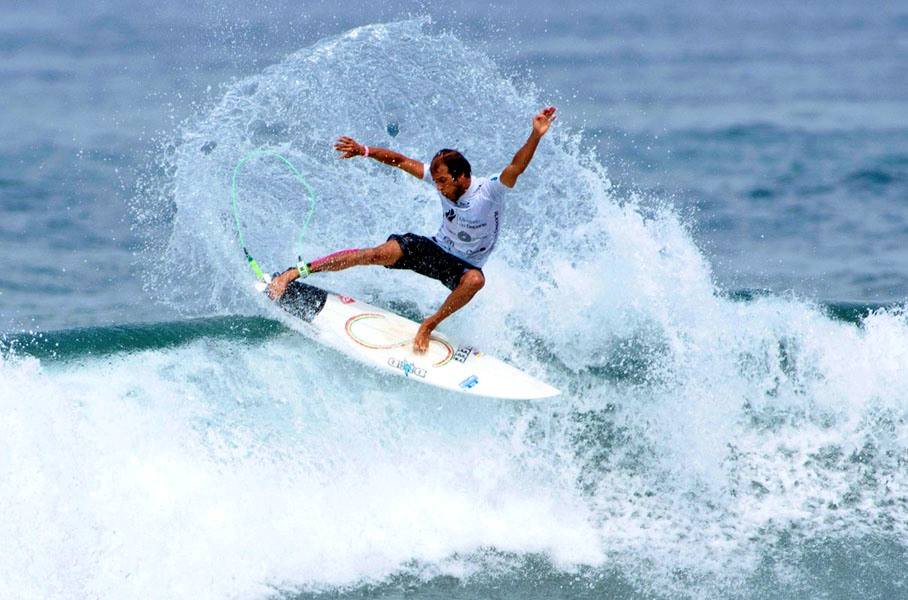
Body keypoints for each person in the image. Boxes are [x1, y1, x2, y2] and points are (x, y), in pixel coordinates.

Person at [268, 106, 557, 353]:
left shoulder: (490, 191)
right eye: (436, 180)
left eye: (443, 181)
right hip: (434, 248)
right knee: (375, 253)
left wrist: (535, 134)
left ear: (462, 177)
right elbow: (400, 161)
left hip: (464, 266)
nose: (438, 186)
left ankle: (429, 325)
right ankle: (296, 272)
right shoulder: (441, 180)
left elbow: (516, 166)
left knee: (475, 281)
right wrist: (364, 151)